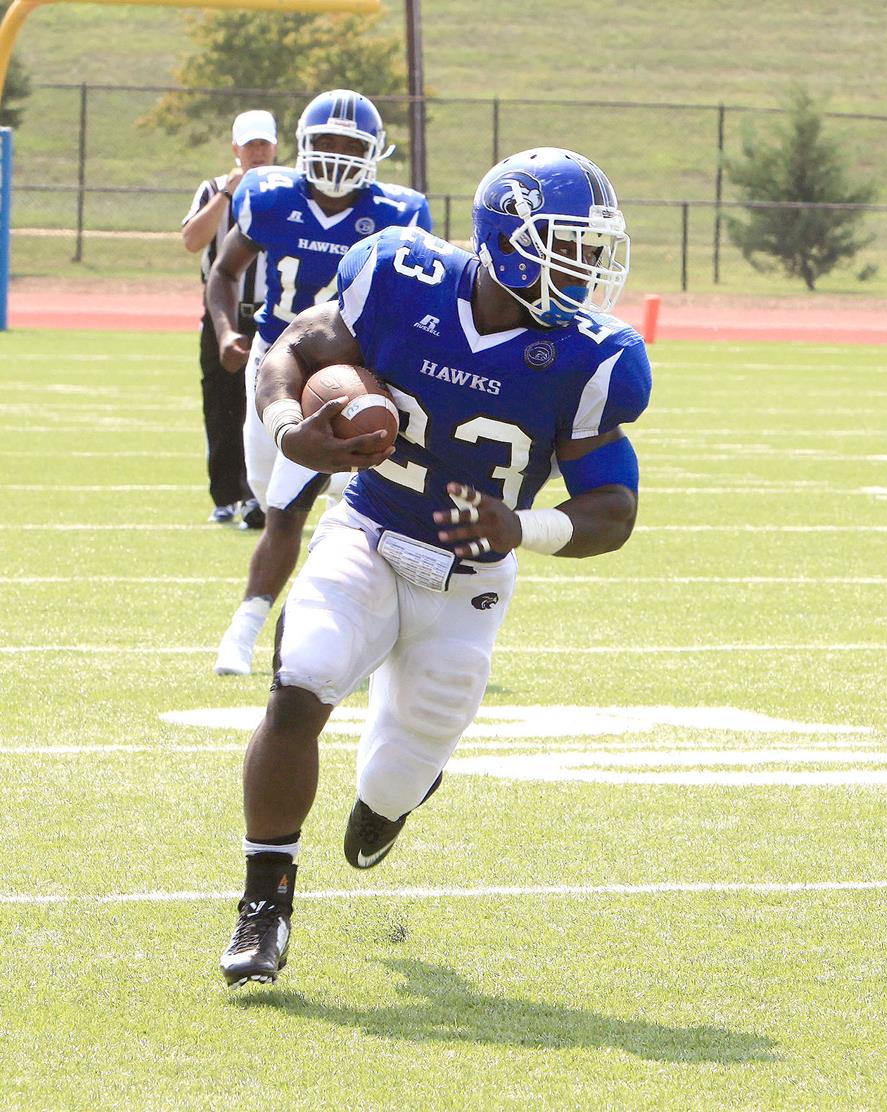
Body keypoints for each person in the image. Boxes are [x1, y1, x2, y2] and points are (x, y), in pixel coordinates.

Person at [220, 147, 649, 987]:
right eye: (571, 244)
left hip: (469, 579)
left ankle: (396, 797)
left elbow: (613, 511)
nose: (588, 268)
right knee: (301, 678)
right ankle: (265, 901)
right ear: (510, 239)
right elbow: (296, 350)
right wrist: (286, 428)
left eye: (594, 249)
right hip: (369, 532)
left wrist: (518, 525)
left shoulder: (595, 356)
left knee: (395, 775)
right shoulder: (399, 275)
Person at [207, 89, 431, 676]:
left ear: (375, 152)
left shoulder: (399, 214)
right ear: (301, 148)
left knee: (286, 504)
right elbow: (225, 272)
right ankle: (335, 531)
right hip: (274, 360)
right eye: (324, 143)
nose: (335, 155)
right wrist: (227, 331)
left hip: (347, 370)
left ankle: (247, 627)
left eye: (349, 145)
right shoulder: (269, 196)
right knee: (266, 486)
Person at [181, 109, 277, 527]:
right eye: (249, 145)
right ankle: (226, 496)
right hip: (224, 313)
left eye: (263, 144)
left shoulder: (287, 190)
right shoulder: (213, 189)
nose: (257, 152)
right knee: (221, 407)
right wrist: (225, 197)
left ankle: (262, 496)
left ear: (276, 148)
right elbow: (191, 241)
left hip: (274, 314)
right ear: (235, 149)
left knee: (269, 408)